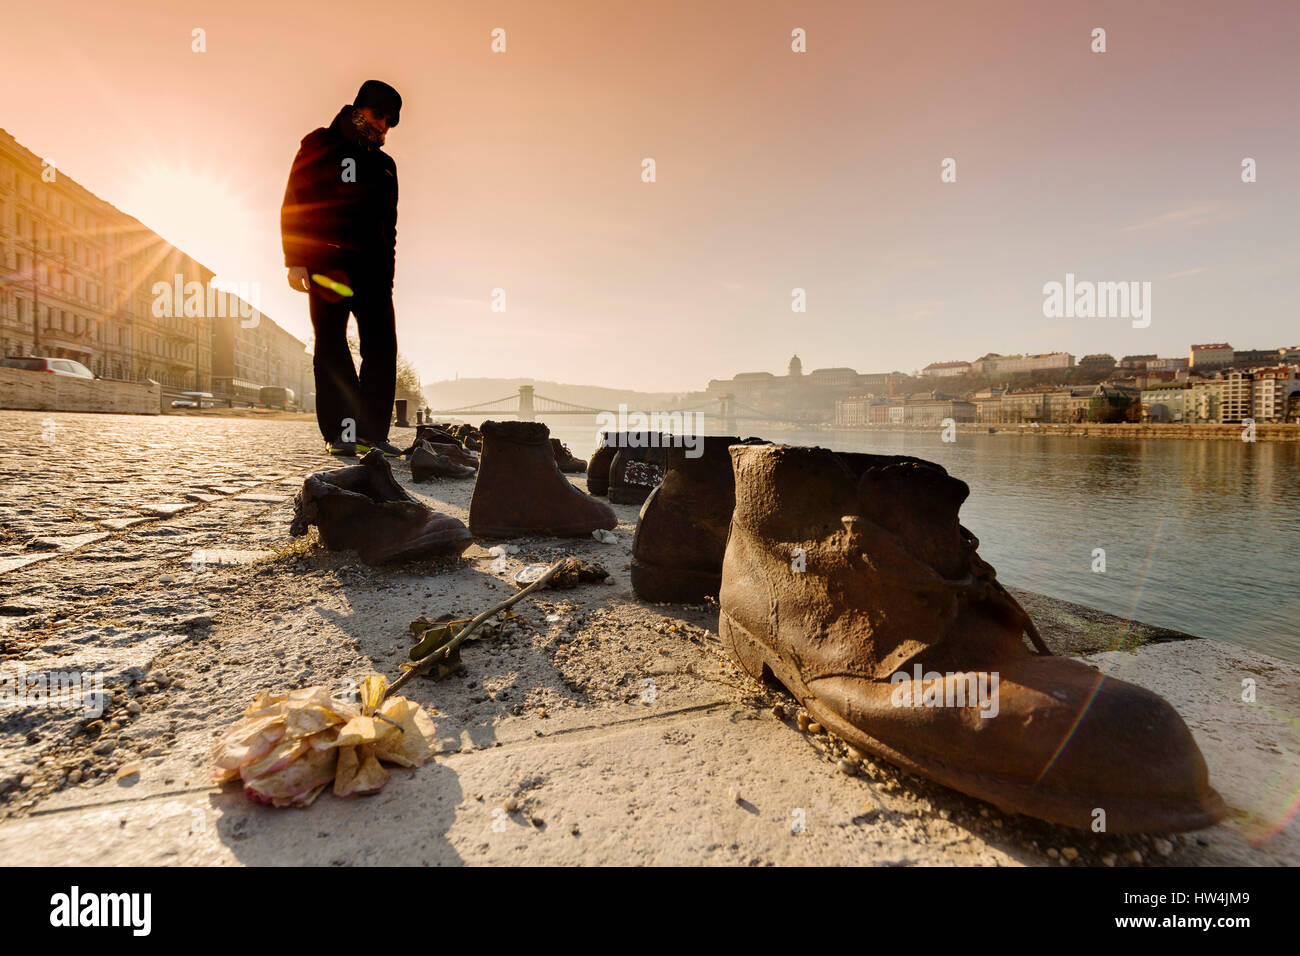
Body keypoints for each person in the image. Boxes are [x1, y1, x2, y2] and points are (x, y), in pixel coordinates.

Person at [281, 80, 405, 457]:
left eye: (391, 121)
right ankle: (343, 433)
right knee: (332, 346)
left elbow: (391, 227)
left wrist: (389, 275)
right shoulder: (319, 144)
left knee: (382, 350)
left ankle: (371, 434)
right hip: (327, 264)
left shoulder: (386, 166)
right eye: (379, 115)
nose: (384, 125)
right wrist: (295, 259)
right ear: (358, 109)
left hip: (374, 274)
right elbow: (296, 200)